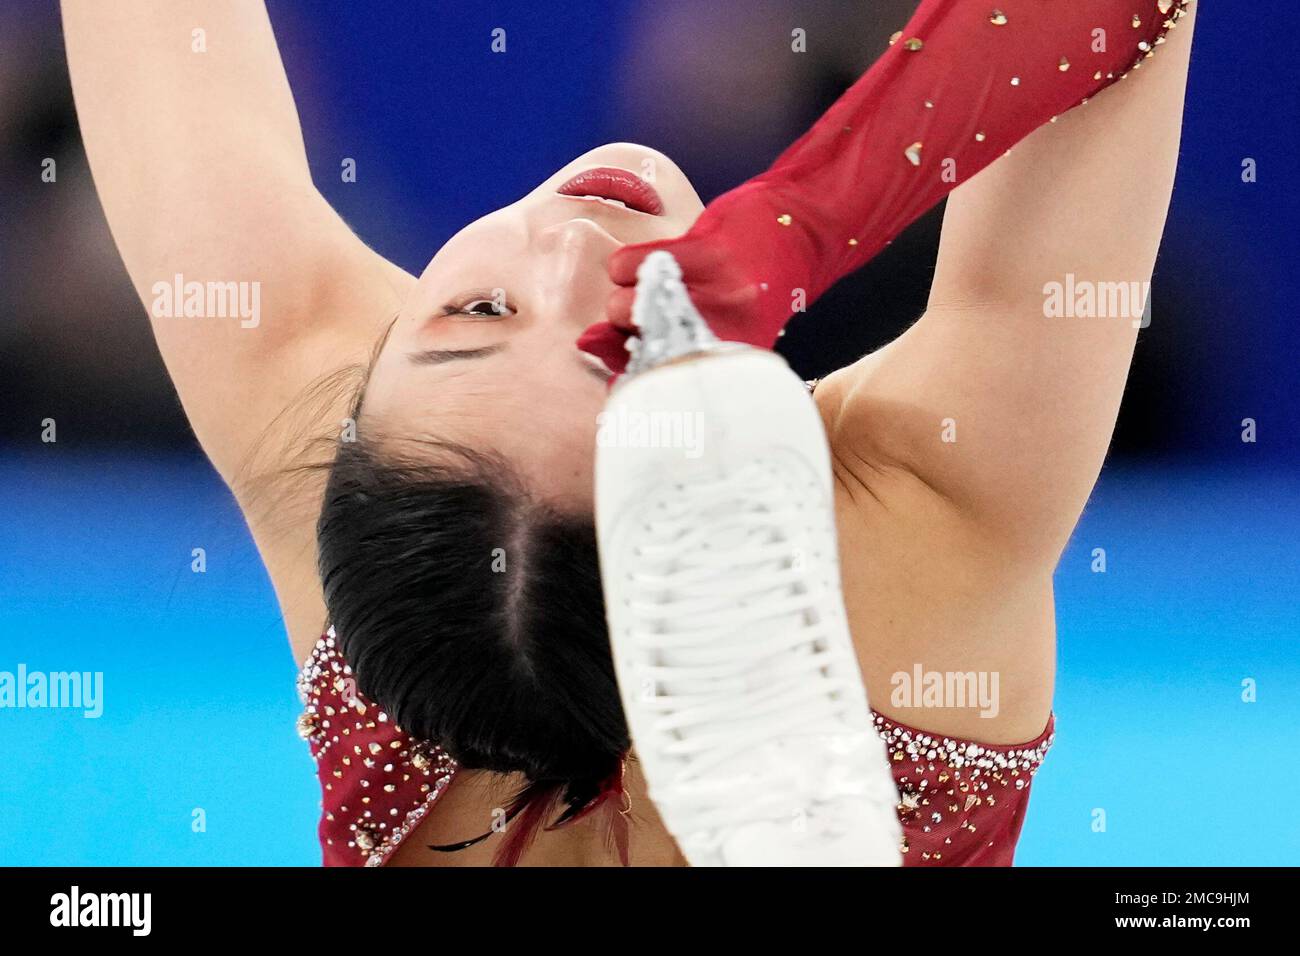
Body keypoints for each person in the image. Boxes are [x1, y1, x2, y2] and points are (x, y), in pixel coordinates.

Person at [63, 0, 1197, 865]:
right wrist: (803, 216)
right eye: (623, 355)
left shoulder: (325, 398)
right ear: (751, 509)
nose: (568, 251)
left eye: (479, 311)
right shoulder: (912, 533)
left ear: (352, 405)